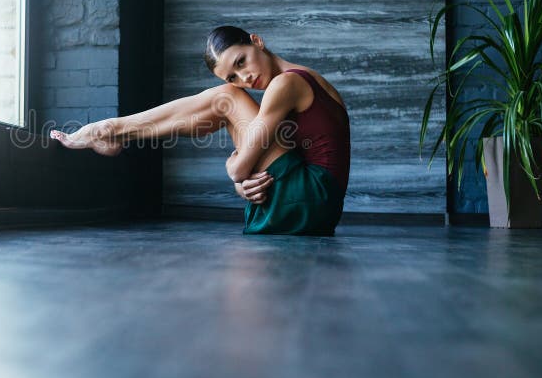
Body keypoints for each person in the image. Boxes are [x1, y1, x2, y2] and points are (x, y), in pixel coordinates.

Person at [50, 26, 351, 235]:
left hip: (311, 200)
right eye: (233, 75)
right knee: (227, 97)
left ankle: (111, 130)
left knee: (227, 98)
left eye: (241, 61)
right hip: (320, 209)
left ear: (257, 41)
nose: (244, 76)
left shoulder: (285, 84)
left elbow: (239, 170)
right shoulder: (308, 77)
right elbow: (277, 160)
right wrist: (241, 179)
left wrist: (233, 166)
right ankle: (115, 133)